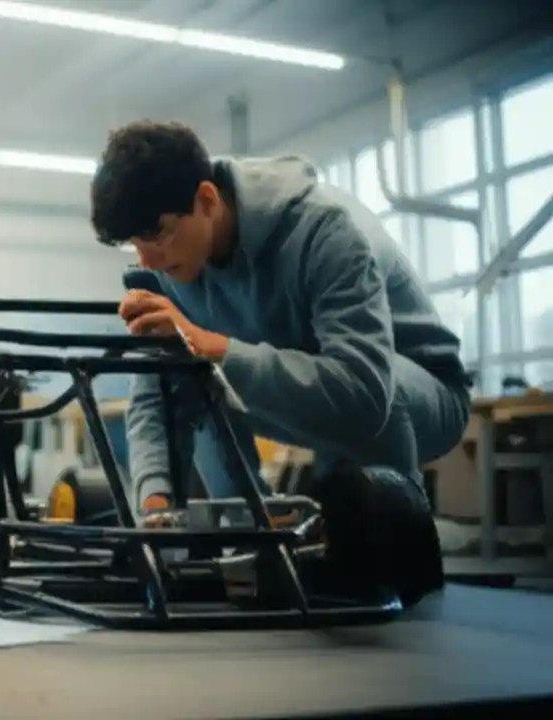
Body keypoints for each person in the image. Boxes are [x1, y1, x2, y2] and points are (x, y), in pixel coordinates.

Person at [89, 120, 470, 601]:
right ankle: (253, 547)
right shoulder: (165, 265)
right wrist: (156, 504)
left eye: (158, 234)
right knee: (192, 372)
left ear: (207, 200)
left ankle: (392, 548)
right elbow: (154, 397)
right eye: (133, 244)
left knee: (353, 383)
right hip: (311, 401)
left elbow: (366, 393)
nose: (146, 260)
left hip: (414, 397)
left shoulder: (326, 230)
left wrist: (217, 348)